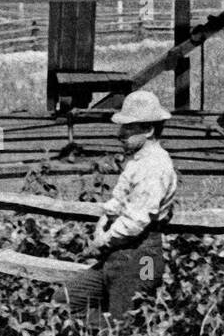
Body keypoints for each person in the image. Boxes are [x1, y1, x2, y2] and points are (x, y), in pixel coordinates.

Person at [64, 89, 177, 322]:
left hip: (143, 256)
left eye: (128, 127)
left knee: (126, 322)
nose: (120, 133)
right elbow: (117, 202)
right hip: (118, 254)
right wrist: (101, 225)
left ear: (149, 130)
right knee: (63, 303)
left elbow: (136, 221)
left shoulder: (154, 167)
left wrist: (102, 241)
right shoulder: (138, 162)